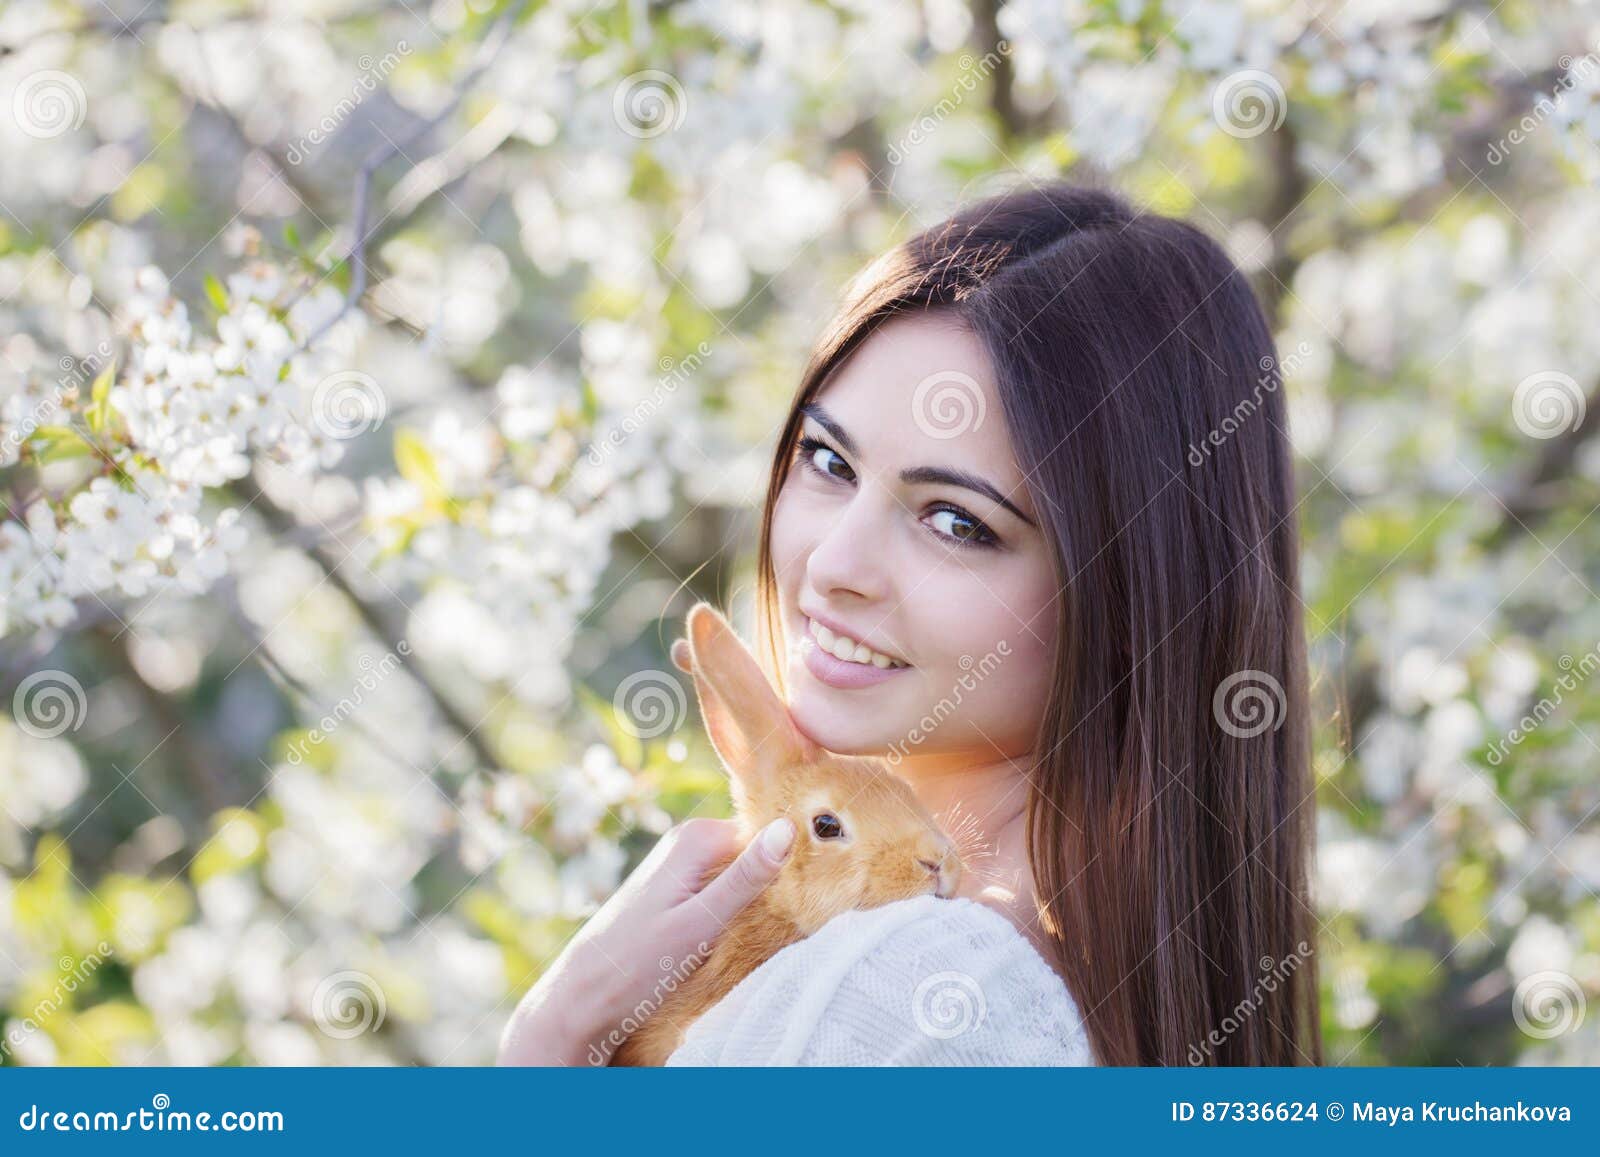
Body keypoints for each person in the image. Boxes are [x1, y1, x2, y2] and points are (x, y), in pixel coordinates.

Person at [499, 179, 1321, 1067]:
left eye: (957, 521)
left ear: (1126, 603)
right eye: (826, 459)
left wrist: (544, 1051)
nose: (834, 566)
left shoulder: (897, 996)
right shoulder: (1087, 983)